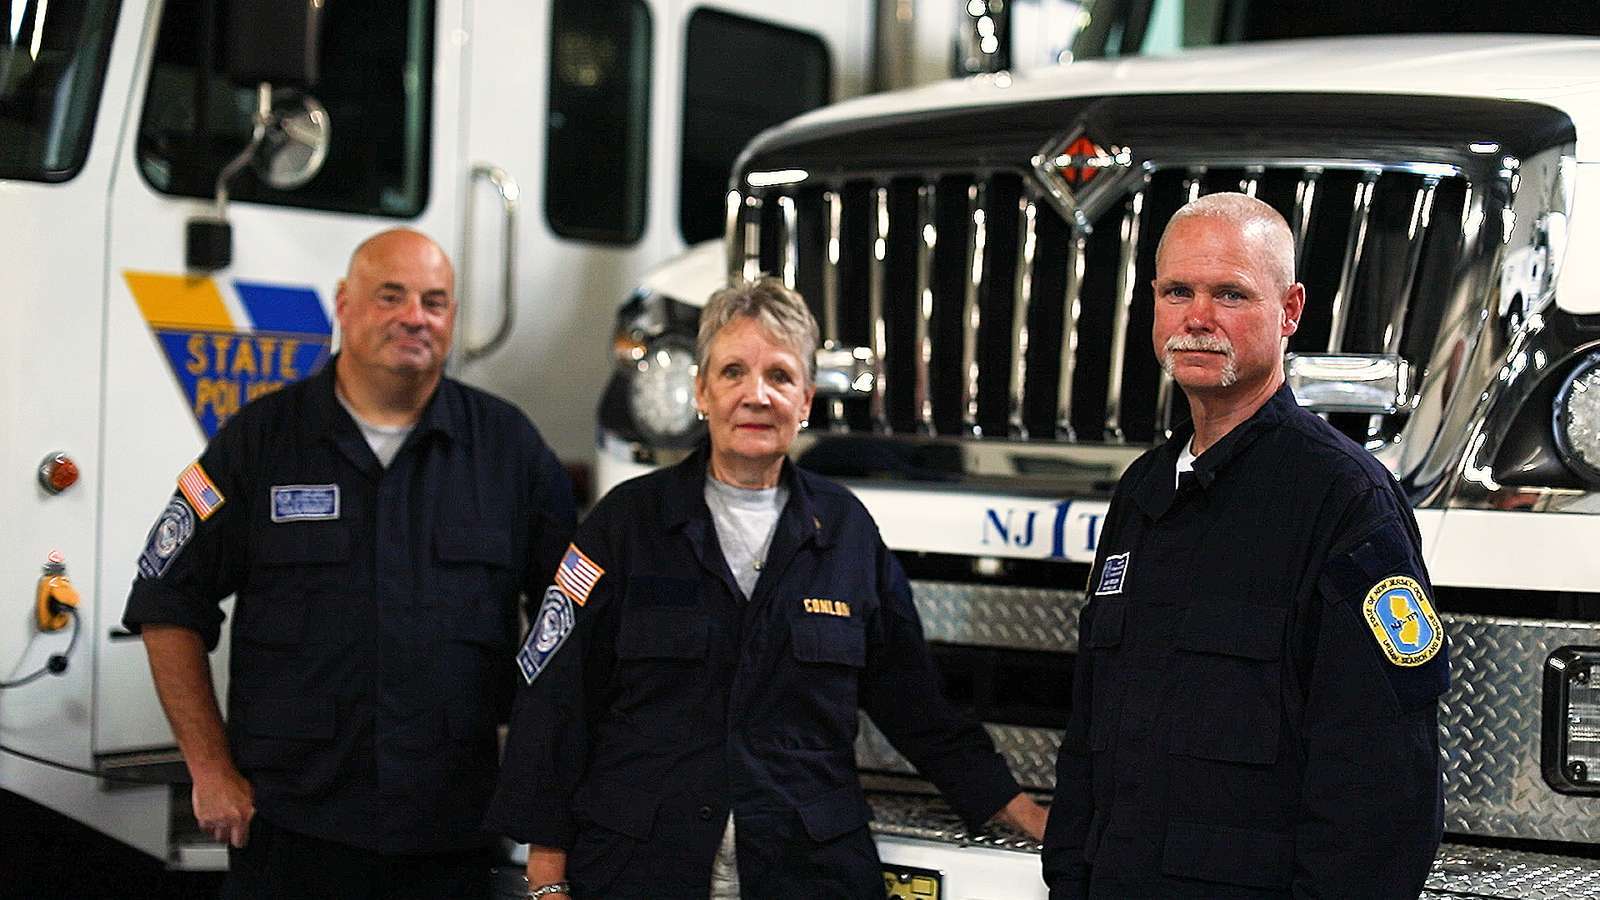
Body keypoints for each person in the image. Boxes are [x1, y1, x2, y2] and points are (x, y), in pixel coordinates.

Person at [484, 276, 1048, 900]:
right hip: (643, 868)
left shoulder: (847, 534)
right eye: (733, 372)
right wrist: (546, 878)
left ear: (806, 400)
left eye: (780, 376)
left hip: (805, 872)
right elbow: (559, 703)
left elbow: (914, 700)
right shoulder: (623, 525)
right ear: (702, 391)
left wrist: (1014, 806)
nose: (757, 395)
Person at [123, 229, 576, 900]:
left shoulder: (508, 448)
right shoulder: (260, 440)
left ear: (451, 319)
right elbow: (165, 601)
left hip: (448, 835)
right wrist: (210, 767)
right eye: (390, 296)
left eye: (434, 301)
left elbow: (571, 624)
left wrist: (544, 798)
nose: (414, 316)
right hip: (290, 828)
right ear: (343, 303)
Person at [1041, 192, 1448, 898]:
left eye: (1230, 293)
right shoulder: (1143, 492)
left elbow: (1382, 790)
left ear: (1289, 311)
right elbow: (1090, 737)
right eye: (1178, 292)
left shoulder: (1346, 500)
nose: (1197, 318)